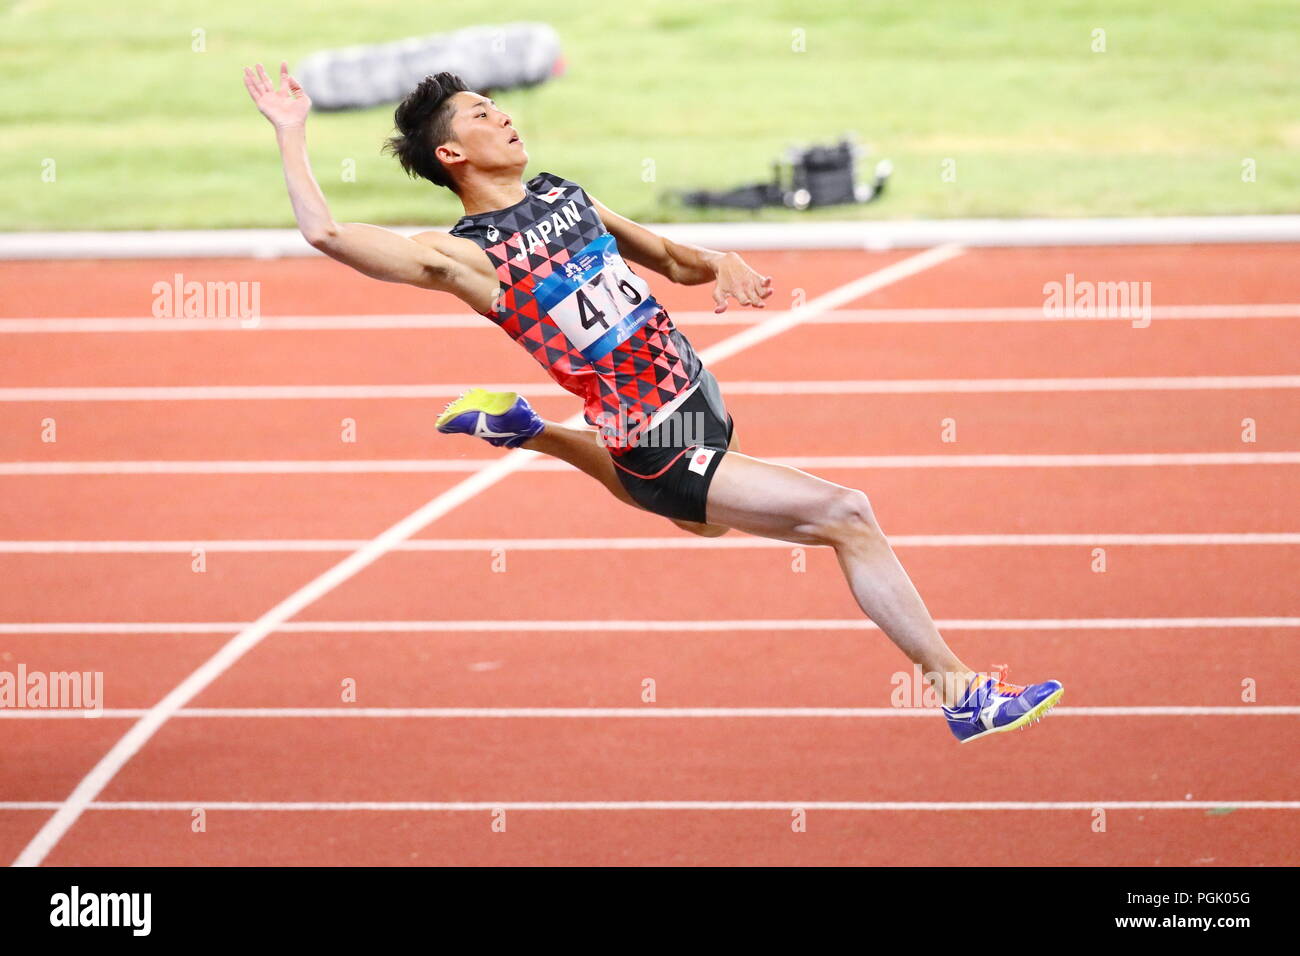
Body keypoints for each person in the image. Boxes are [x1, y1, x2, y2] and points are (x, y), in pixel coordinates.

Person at [242, 62, 1063, 742]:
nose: (507, 118)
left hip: (697, 398)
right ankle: (961, 694)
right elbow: (326, 234)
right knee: (846, 513)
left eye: (501, 105)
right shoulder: (464, 257)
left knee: (701, 525)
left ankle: (530, 430)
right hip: (653, 439)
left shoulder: (566, 196)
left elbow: (670, 256)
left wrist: (723, 259)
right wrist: (291, 133)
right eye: (485, 115)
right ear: (453, 154)